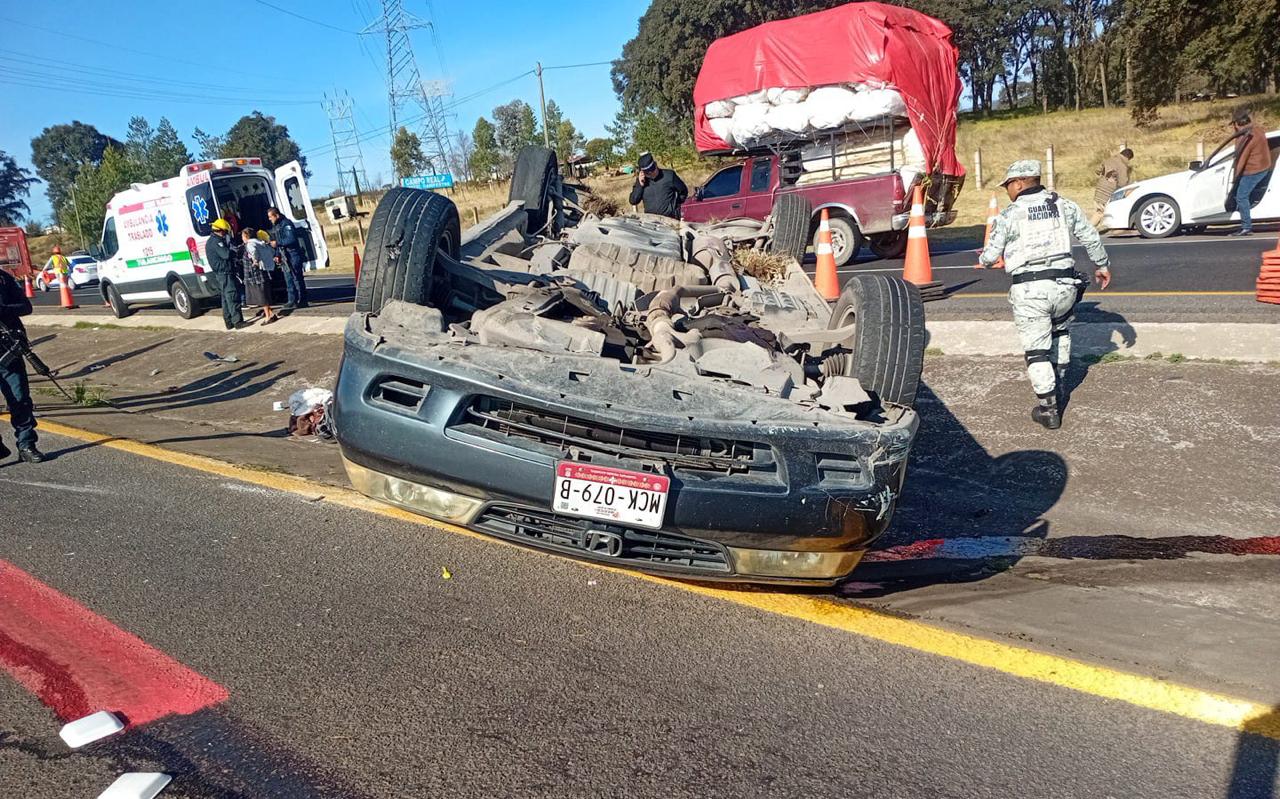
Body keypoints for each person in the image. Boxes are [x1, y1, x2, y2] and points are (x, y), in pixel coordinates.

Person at [979, 160, 1112, 430]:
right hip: (1064, 286)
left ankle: (1049, 408)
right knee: (1060, 332)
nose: (1007, 191)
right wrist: (1101, 265)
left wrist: (984, 257)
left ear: (1018, 183)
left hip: (1031, 290)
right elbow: (1090, 235)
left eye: (1007, 186)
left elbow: (991, 255)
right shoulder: (1063, 204)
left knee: (1036, 350)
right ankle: (1060, 380)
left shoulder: (1010, 213)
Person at [0, 265, 45, 462]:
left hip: (8, 349)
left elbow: (26, 306)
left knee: (20, 400)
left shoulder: (3, 279)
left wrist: (2, 311)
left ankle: (26, 445)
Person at [1229, 108, 1272, 237]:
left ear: (1237, 123)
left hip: (1253, 170)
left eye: (1233, 124)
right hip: (1264, 166)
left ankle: (1246, 227)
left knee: (1241, 196)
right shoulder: (1257, 130)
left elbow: (1241, 158)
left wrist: (1235, 179)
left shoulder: (1245, 138)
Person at [207, 218, 251, 330]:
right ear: (220, 230)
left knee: (225, 298)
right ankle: (238, 321)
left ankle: (228, 321)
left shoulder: (211, 241)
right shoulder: (217, 242)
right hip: (224, 272)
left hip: (221, 273)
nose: (225, 234)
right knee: (232, 296)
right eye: (225, 231)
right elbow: (226, 254)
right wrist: (235, 251)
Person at [267, 207, 308, 309]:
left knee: (297, 278)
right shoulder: (276, 227)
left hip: (292, 254)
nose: (269, 219)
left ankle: (302, 300)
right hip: (284, 255)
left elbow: (291, 239)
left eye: (270, 216)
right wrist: (277, 254)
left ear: (276, 215)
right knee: (288, 279)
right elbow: (278, 242)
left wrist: (278, 243)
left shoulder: (286, 224)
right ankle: (291, 300)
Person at [627, 152, 688, 219]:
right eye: (647, 172)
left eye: (652, 169)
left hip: (671, 218)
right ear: (642, 172)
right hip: (651, 221)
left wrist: (674, 207)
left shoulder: (669, 175)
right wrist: (640, 185)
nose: (651, 173)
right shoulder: (641, 181)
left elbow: (683, 191)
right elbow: (633, 201)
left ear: (655, 165)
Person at [241, 227, 280, 325]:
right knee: (264, 292)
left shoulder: (250, 244)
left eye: (242, 236)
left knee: (261, 295)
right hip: (264, 270)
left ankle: (268, 316)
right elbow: (271, 252)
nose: (242, 238)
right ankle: (270, 313)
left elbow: (253, 252)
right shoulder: (260, 242)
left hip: (256, 273)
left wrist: (255, 261)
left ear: (246, 236)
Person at [1090, 147, 1134, 228]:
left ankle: (1090, 229)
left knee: (1098, 210)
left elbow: (1098, 171)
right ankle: (1088, 230)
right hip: (1108, 191)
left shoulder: (1109, 160)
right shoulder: (1122, 166)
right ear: (1128, 157)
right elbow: (1122, 183)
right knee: (1100, 212)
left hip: (1099, 188)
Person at [49, 245, 77, 309]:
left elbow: (49, 264)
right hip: (65, 272)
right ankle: (68, 299)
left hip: (58, 272)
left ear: (54, 252)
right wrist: (71, 270)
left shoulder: (53, 257)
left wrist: (44, 270)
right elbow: (69, 265)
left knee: (62, 286)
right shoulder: (63, 257)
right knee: (65, 285)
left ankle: (66, 302)